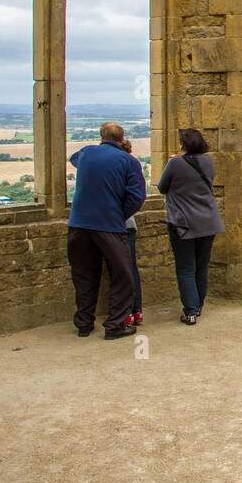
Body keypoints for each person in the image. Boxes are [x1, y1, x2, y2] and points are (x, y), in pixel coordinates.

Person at [68, 121, 146, 339]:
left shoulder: (85, 154)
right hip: (109, 226)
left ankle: (83, 324)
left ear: (101, 138)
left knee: (84, 275)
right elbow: (137, 198)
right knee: (123, 275)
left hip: (78, 224)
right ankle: (115, 325)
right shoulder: (129, 162)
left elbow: (74, 159)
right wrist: (117, 215)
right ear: (122, 140)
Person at [158, 128, 225, 325]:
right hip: (209, 222)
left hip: (183, 223)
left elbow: (162, 187)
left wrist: (173, 162)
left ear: (184, 144)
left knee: (186, 267)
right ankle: (198, 305)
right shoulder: (208, 161)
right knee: (201, 266)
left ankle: (190, 311)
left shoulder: (175, 162)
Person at [120, 139, 143, 325]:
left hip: (119, 224)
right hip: (129, 223)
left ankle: (126, 312)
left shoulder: (119, 169)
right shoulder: (132, 167)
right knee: (131, 268)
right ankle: (136, 311)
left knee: (119, 271)